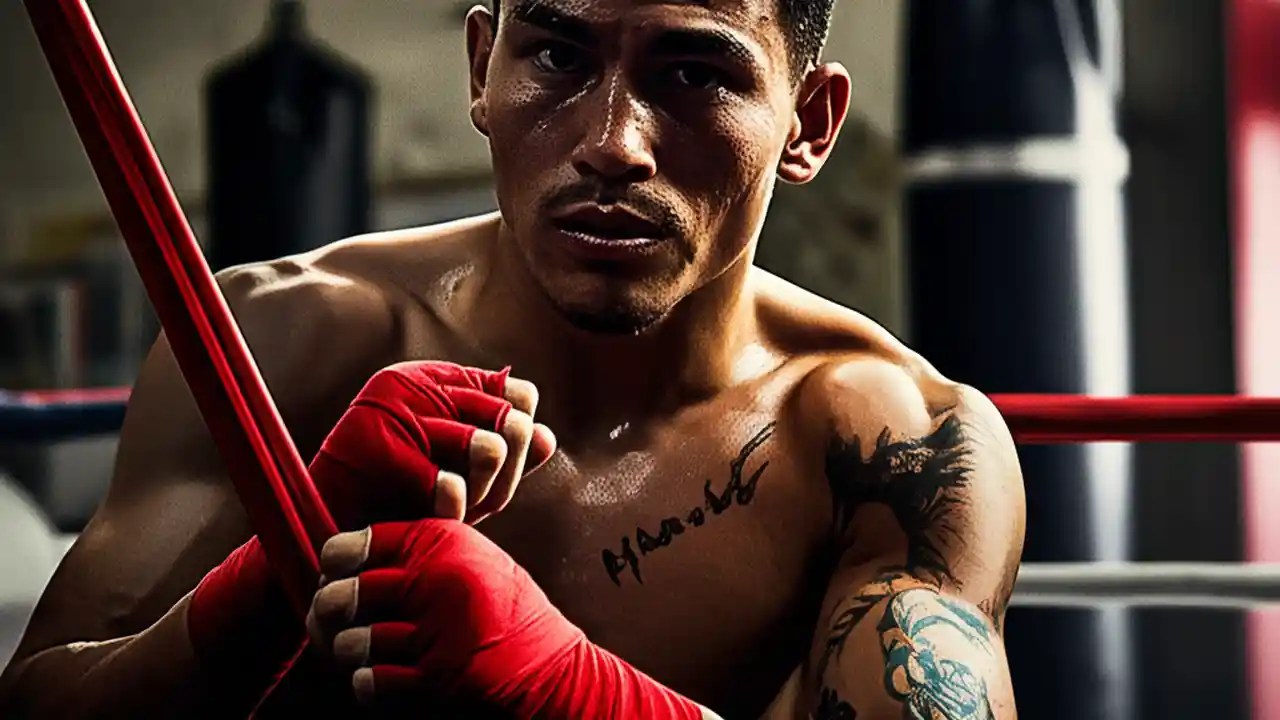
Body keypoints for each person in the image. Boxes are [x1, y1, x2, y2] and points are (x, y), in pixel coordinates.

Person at [0, 0, 1025, 717]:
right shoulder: (275, 343)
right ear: (480, 69)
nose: (612, 142)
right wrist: (272, 583)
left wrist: (569, 690)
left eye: (692, 72)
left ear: (805, 124)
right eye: (557, 57)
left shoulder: (894, 446)